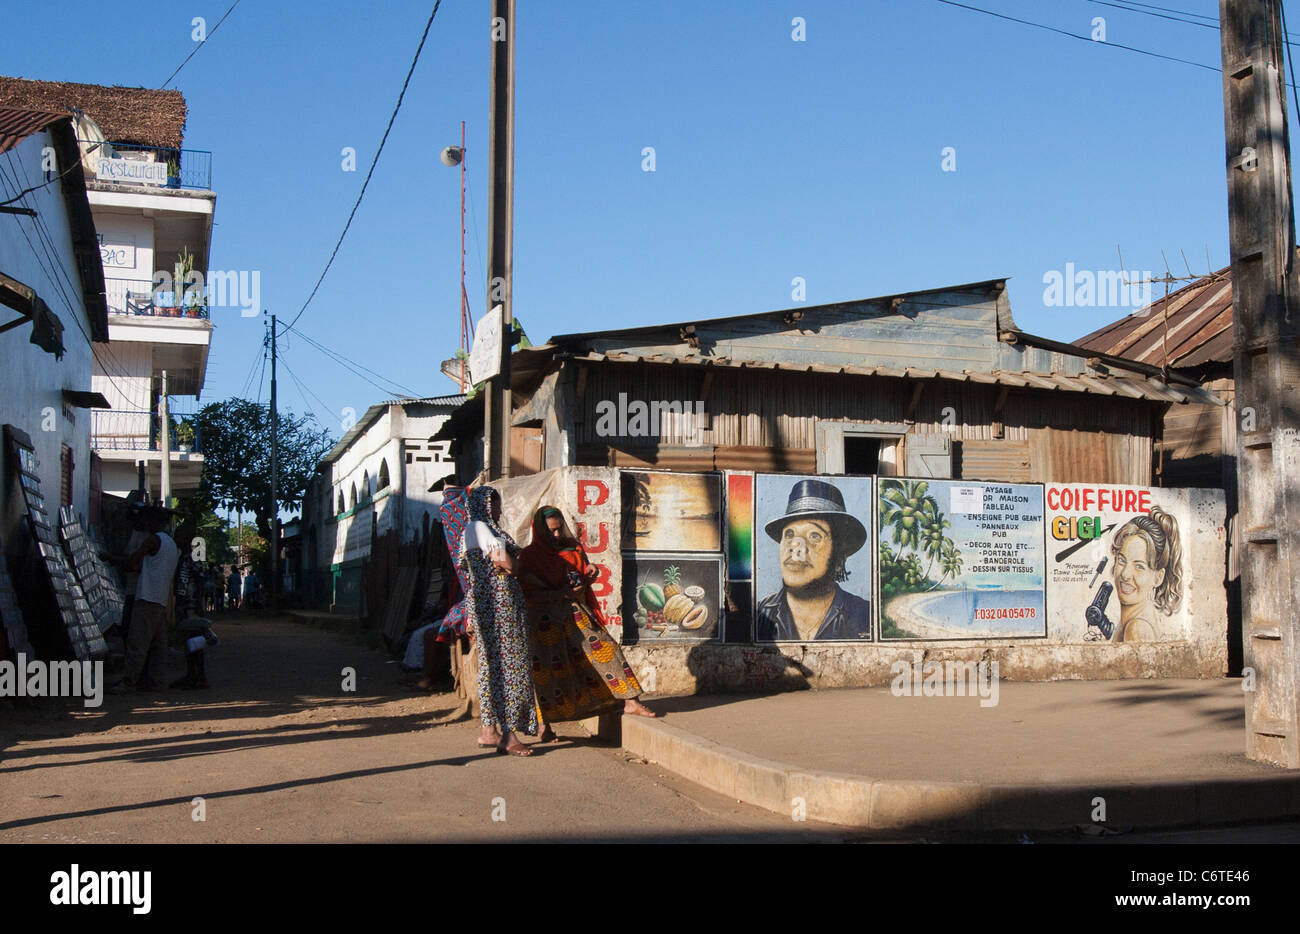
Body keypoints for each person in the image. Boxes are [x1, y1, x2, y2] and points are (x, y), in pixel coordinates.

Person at [518, 505, 655, 740]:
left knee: (606, 649)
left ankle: (630, 700)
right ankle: (544, 726)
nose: (557, 535)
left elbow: (580, 576)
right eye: (551, 531)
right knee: (546, 672)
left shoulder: (573, 550)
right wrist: (556, 593)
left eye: (560, 529)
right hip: (542, 620)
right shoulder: (530, 557)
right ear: (540, 531)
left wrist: (588, 575)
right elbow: (525, 591)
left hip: (574, 611)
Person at [459, 486, 537, 756]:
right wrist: (514, 562)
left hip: (484, 602)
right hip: (499, 603)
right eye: (496, 504)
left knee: (491, 664)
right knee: (511, 664)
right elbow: (505, 563)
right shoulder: (482, 528)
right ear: (485, 505)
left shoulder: (468, 530)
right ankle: (510, 735)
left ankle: (489, 730)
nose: (500, 510)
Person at [755, 478, 871, 641]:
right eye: (789, 534)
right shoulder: (757, 616)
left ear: (839, 560)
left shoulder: (866, 616)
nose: (796, 545)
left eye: (814, 536)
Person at [108, 506, 180, 694]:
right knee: (158, 645)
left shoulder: (153, 540)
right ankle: (156, 681)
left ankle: (129, 682)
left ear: (153, 522)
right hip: (160, 599)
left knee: (137, 642)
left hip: (146, 596)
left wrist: (111, 558)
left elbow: (133, 561)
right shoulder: (170, 543)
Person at [1109, 507, 1182, 643]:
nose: (1125, 574)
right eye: (1122, 560)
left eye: (1139, 567)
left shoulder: (1136, 629)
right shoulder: (1132, 622)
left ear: (1158, 577)